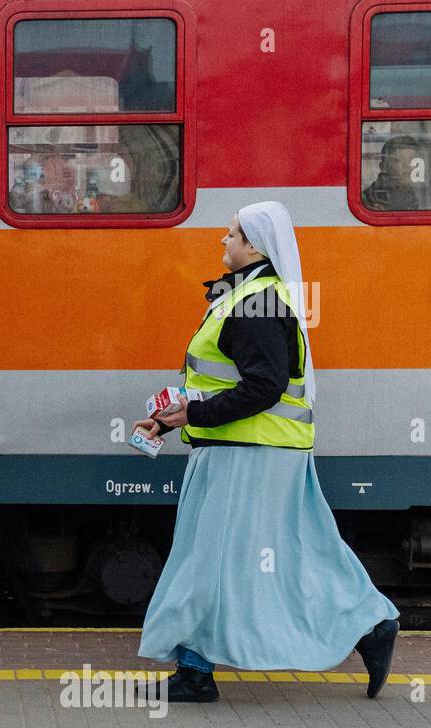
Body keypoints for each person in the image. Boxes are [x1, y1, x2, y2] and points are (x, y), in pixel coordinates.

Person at [133, 201, 400, 702]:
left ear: (254, 245)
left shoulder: (256, 303)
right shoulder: (247, 296)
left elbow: (264, 387)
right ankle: (370, 625)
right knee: (293, 551)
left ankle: (195, 673)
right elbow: (224, 379)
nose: (222, 240)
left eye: (231, 233)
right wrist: (171, 418)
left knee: (207, 558)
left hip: (249, 453)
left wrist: (195, 415)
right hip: (248, 450)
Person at [362, 136, 421, 211]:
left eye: (412, 160)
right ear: (383, 167)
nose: (407, 165)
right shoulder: (369, 201)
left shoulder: (410, 194)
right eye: (398, 160)